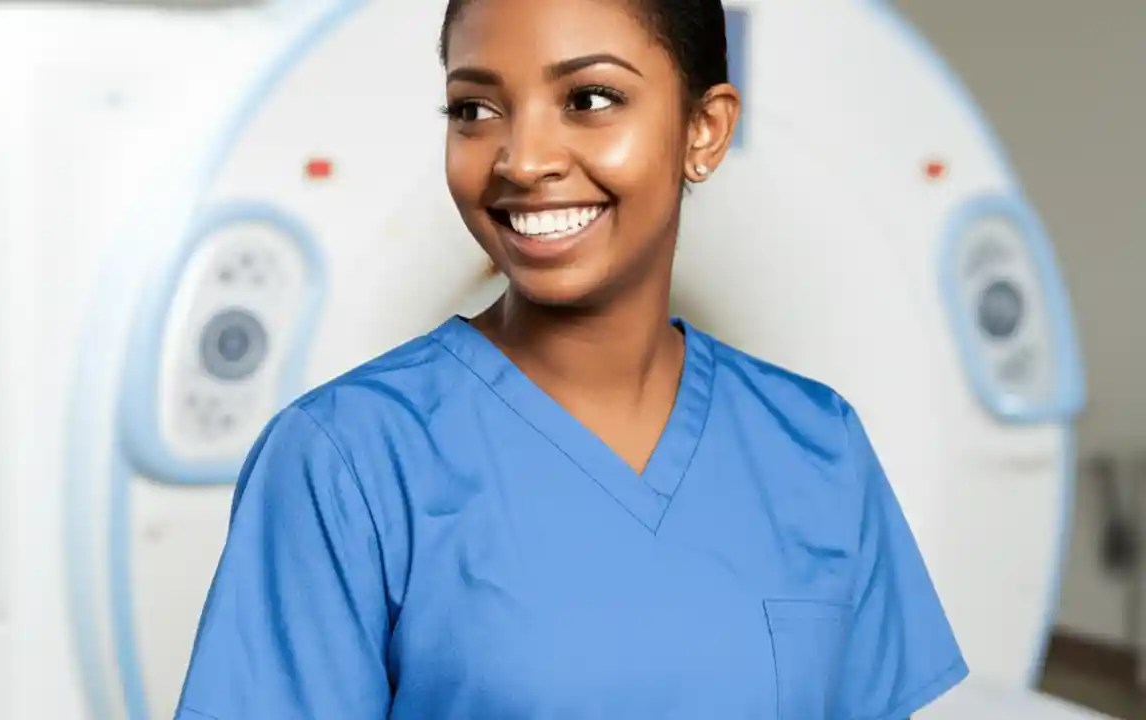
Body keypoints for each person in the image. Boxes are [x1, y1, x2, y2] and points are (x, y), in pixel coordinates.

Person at [174, 0, 968, 717]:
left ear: (705, 130)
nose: (522, 159)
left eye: (590, 100)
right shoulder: (346, 459)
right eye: (474, 108)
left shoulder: (817, 444)